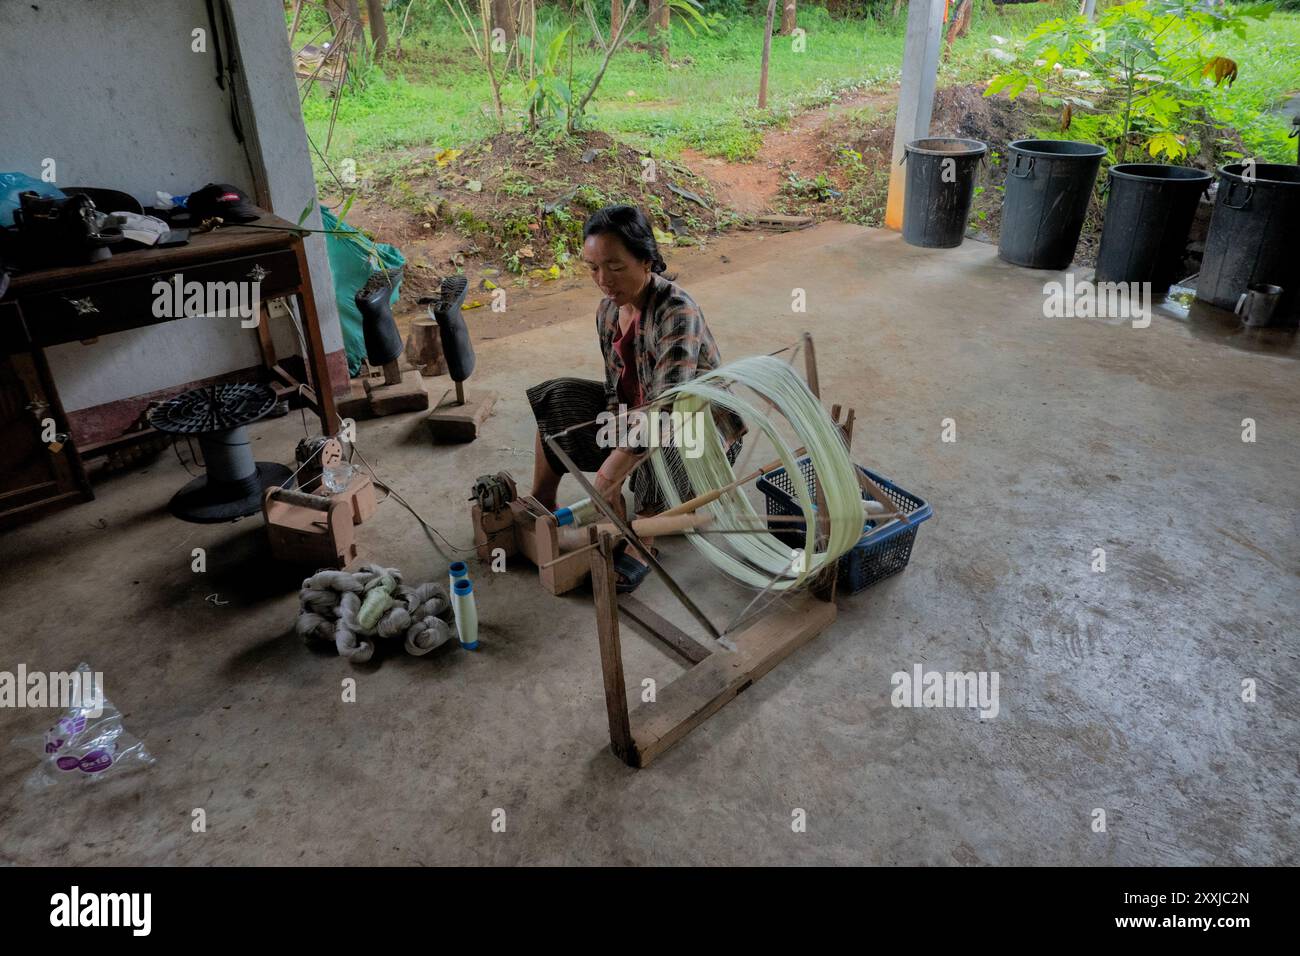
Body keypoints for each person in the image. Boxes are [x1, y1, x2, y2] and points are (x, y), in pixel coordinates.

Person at [527, 205, 743, 593]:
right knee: (558, 400)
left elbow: (666, 408)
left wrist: (613, 469)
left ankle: (643, 539)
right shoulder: (609, 310)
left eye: (615, 266)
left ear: (646, 260)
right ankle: (540, 504)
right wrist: (615, 443)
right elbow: (616, 390)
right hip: (642, 414)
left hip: (699, 431)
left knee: (658, 443)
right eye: (593, 267)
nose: (603, 280)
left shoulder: (677, 312)